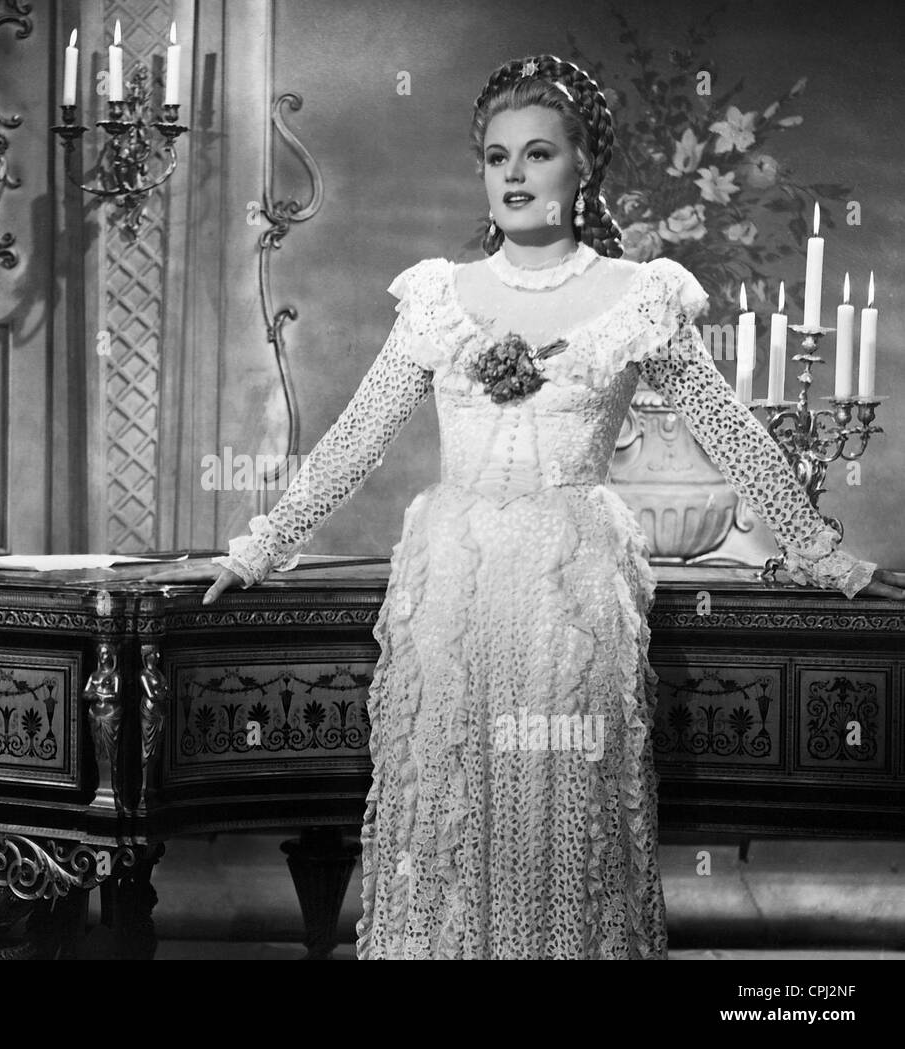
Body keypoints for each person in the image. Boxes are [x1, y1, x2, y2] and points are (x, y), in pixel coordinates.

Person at [154, 54, 905, 959]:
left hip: (572, 588)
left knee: (565, 806)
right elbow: (355, 438)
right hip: (452, 593)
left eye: (537, 154)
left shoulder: (639, 297)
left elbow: (735, 434)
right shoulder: (437, 295)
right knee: (450, 809)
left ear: (582, 167)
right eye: (496, 156)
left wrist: (825, 555)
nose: (513, 176)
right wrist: (259, 546)